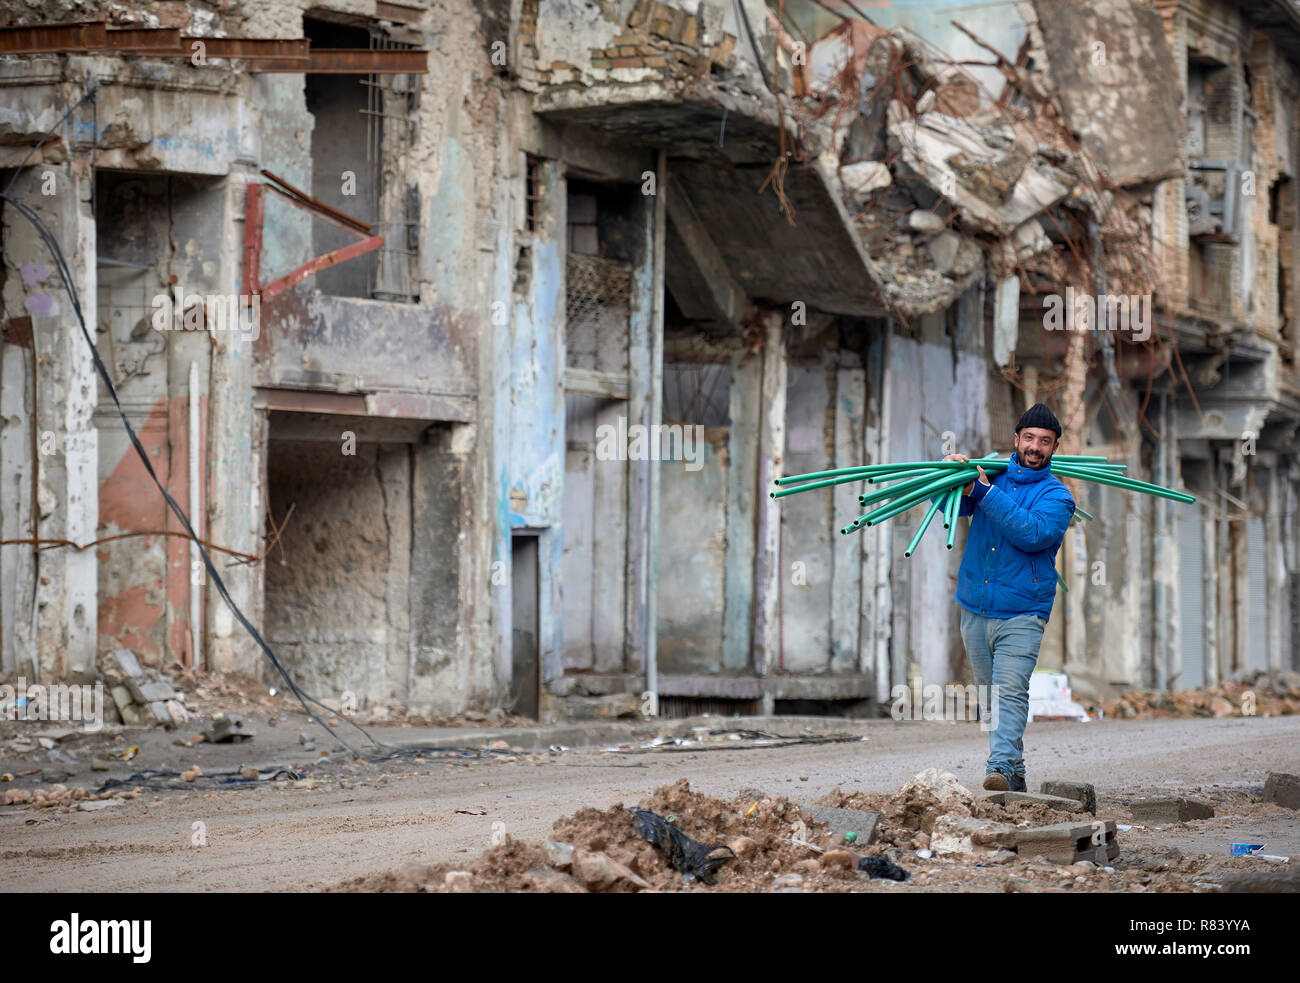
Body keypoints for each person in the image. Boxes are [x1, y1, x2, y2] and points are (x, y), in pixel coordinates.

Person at [940, 403, 1075, 792]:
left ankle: (998, 765)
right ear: (1016, 439)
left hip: (1023, 612)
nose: (1035, 447)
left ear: (1054, 448)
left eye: (1045, 442)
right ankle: (1012, 773)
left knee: (1009, 691)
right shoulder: (990, 476)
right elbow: (947, 506)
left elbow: (1031, 533)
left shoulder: (1058, 497)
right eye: (1029, 438)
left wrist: (983, 492)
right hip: (974, 607)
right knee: (990, 697)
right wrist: (949, 470)